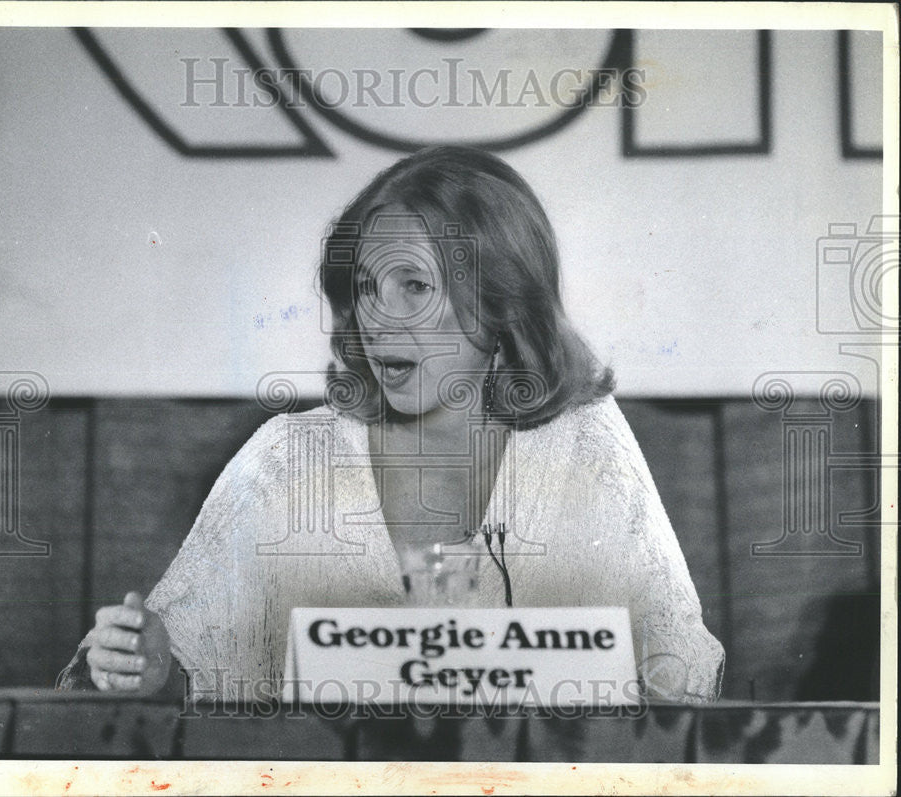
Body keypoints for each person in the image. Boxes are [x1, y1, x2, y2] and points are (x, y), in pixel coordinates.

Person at [58, 146, 724, 703]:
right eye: (366, 288)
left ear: (500, 300)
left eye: (414, 286)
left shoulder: (583, 441)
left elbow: (679, 669)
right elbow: (185, 662)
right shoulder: (289, 458)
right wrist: (144, 667)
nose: (378, 318)